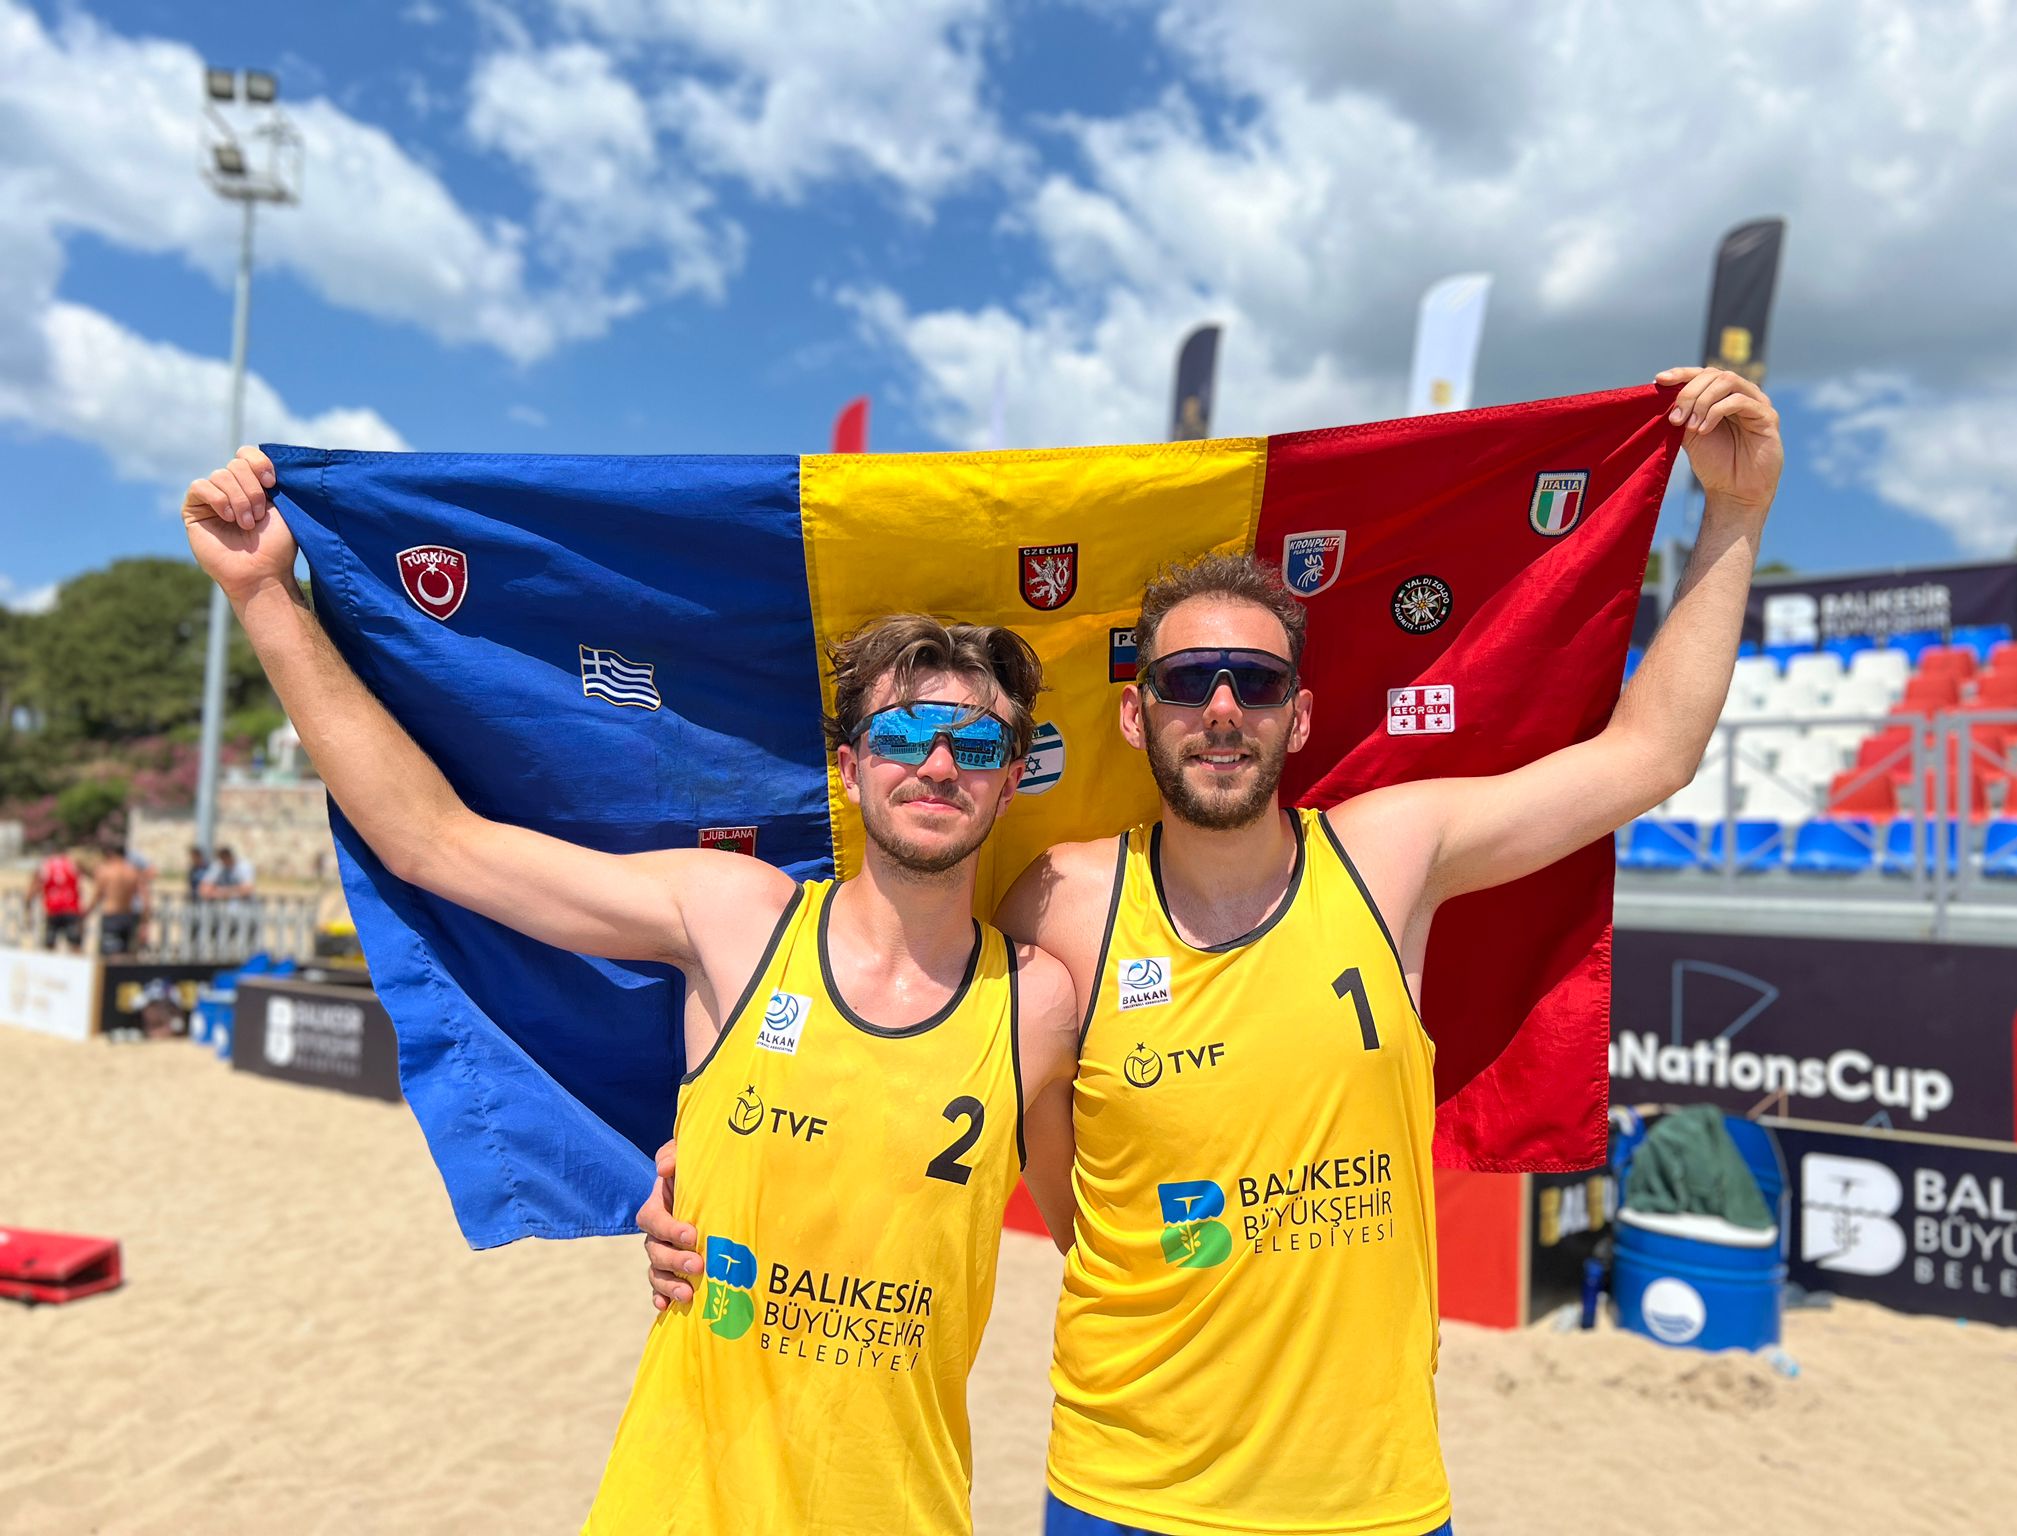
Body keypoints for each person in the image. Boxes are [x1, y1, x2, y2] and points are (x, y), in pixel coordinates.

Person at [645, 366, 1782, 1536]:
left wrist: (1734, 513)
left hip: (1370, 1501)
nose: (1223, 707)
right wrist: (720, 1179)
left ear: (1299, 714)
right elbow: (892, 1041)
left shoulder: (1391, 856)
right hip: (1122, 1491)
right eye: (1188, 680)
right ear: (1136, 715)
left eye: (1257, 680)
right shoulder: (1063, 895)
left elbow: (1648, 756)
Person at [182, 448, 1080, 1535]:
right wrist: (263, 594)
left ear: (1009, 771)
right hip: (676, 1505)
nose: (935, 764)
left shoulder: (1039, 1002)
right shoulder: (735, 921)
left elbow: (1133, 1205)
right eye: (898, 733)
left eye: (973, 741)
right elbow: (435, 844)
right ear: (846, 766)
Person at [87, 845, 149, 956]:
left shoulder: (105, 871)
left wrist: (86, 912)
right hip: (129, 916)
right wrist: (144, 923)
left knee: (110, 957)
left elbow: (97, 895)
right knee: (128, 955)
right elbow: (145, 898)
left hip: (111, 916)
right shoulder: (134, 872)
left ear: (111, 854)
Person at [28, 846, 86, 952]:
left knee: (49, 947)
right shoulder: (73, 863)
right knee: (75, 946)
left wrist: (28, 907)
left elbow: (33, 890)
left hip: (53, 910)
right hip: (71, 909)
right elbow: (80, 886)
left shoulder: (45, 865)